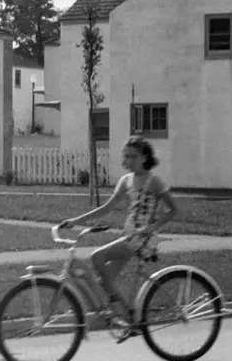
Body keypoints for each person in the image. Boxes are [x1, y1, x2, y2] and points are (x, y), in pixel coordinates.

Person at [60, 135, 177, 328]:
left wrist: (152, 227)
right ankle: (127, 316)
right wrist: (76, 221)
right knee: (106, 280)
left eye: (133, 156)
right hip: (129, 235)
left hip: (142, 237)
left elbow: (173, 209)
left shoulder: (153, 181)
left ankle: (122, 312)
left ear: (145, 158)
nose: (128, 161)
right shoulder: (125, 181)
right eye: (126, 156)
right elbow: (106, 208)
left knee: (97, 257)